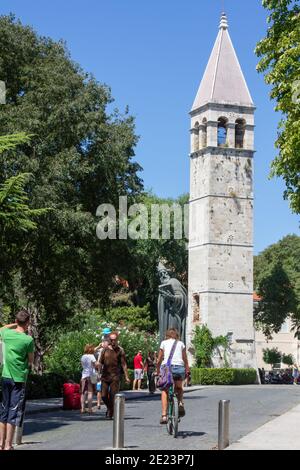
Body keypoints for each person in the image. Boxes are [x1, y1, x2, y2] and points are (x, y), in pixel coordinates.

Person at [0, 310, 34, 451]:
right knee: (13, 412)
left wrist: (16, 323)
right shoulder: (28, 340)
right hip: (18, 378)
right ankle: (8, 445)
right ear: (28, 323)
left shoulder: (7, 334)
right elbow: (31, 360)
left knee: (3, 410)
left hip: (5, 376)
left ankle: (0, 444)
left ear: (16, 320)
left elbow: (2, 328)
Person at [156, 328, 190, 425]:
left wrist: (157, 370)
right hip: (179, 368)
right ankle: (180, 403)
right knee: (179, 387)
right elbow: (185, 358)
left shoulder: (163, 343)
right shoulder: (180, 344)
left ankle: (164, 415)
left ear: (167, 335)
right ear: (176, 335)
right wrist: (187, 368)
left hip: (167, 368)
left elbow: (159, 359)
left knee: (164, 390)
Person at [99, 332, 130, 419]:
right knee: (103, 396)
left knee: (113, 395)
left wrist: (127, 376)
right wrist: (98, 370)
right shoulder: (104, 350)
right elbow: (100, 362)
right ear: (109, 340)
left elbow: (124, 364)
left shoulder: (120, 350)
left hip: (115, 376)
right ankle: (110, 408)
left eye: (114, 340)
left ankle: (110, 411)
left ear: (117, 340)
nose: (113, 342)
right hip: (105, 376)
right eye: (111, 340)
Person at [80, 345, 97, 414]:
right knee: (90, 392)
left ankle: (82, 408)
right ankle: (90, 409)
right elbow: (95, 365)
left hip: (84, 375)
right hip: (91, 375)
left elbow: (82, 365)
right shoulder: (92, 356)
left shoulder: (83, 356)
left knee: (83, 392)